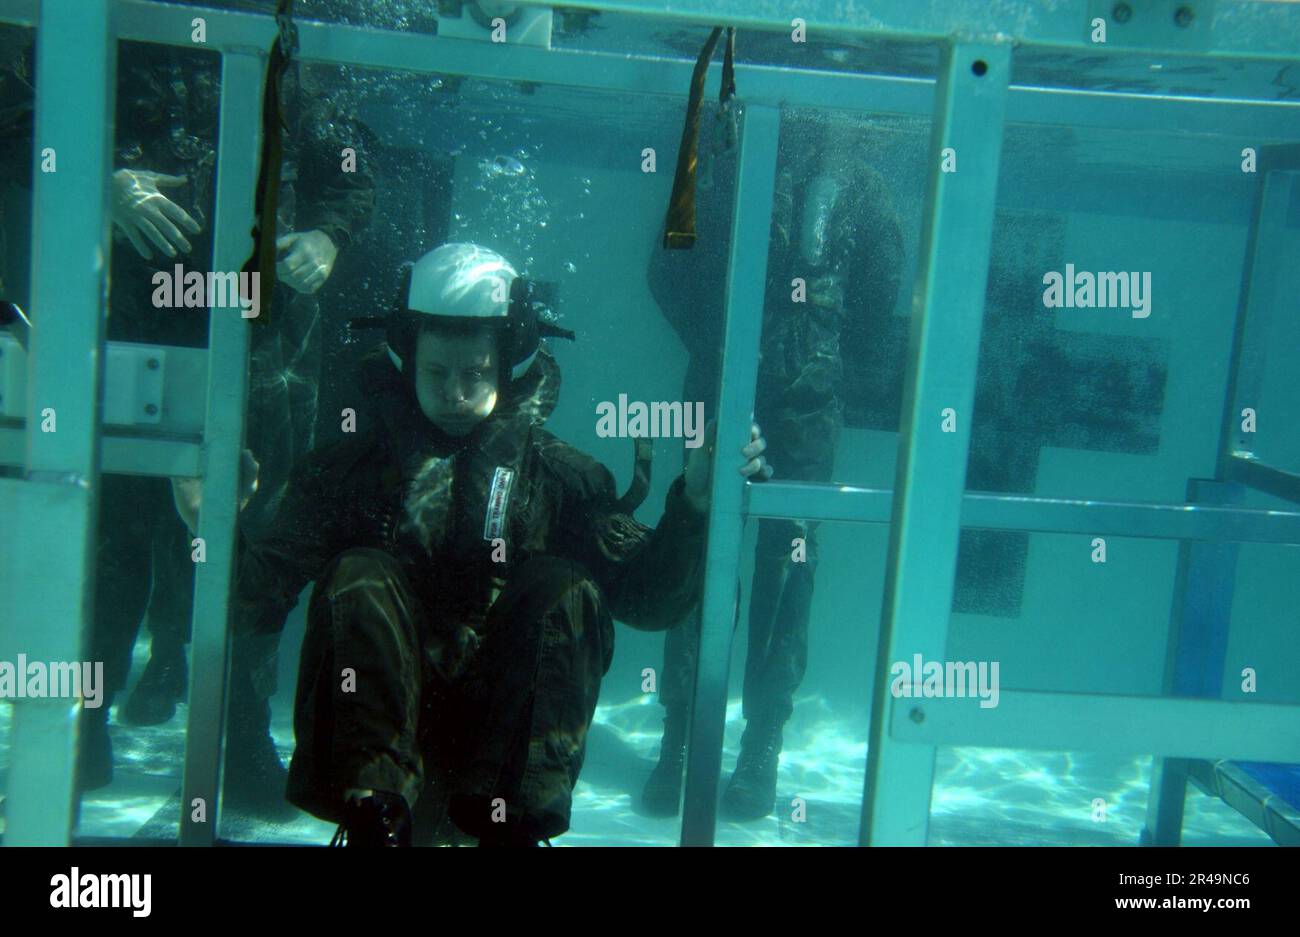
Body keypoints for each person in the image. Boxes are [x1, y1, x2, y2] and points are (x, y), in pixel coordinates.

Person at [171, 242, 772, 845]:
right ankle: (373, 818)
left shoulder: (564, 478)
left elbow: (649, 601)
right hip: (382, 763)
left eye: (474, 374)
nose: (454, 393)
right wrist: (212, 529)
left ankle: (512, 829)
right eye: (437, 373)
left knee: (566, 589)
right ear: (406, 362)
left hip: (502, 764)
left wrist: (695, 504)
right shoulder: (342, 474)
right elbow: (253, 603)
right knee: (359, 574)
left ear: (507, 368)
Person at [0, 23, 376, 813]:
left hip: (260, 336)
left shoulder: (286, 47)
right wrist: (98, 179)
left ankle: (240, 734)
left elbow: (347, 168)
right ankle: (81, 726)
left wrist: (327, 234)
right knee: (109, 531)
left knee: (252, 534)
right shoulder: (106, 21)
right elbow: (13, 111)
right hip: (125, 319)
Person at [642, 118, 903, 821]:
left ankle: (761, 745)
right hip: (720, 393)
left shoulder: (865, 195)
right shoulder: (724, 168)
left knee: (789, 567)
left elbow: (879, 314)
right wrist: (720, 347)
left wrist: (821, 368)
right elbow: (666, 269)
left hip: (807, 412)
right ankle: (679, 736)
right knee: (700, 553)